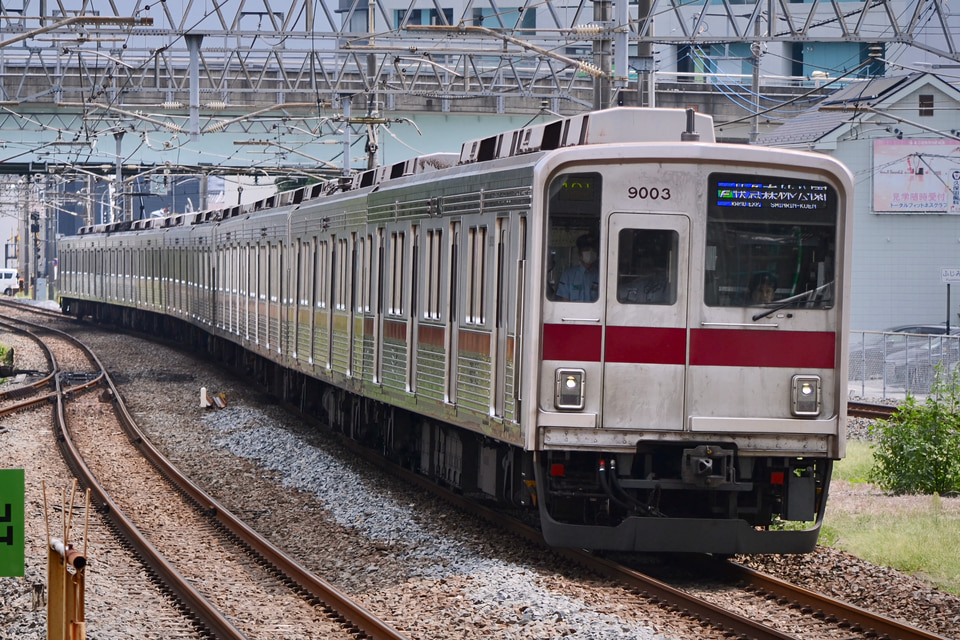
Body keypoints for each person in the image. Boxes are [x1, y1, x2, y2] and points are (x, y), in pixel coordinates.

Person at [556, 234, 599, 302]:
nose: (590, 253)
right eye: (586, 250)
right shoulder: (568, 275)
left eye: (593, 250)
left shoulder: (600, 276)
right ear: (580, 253)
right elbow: (565, 301)